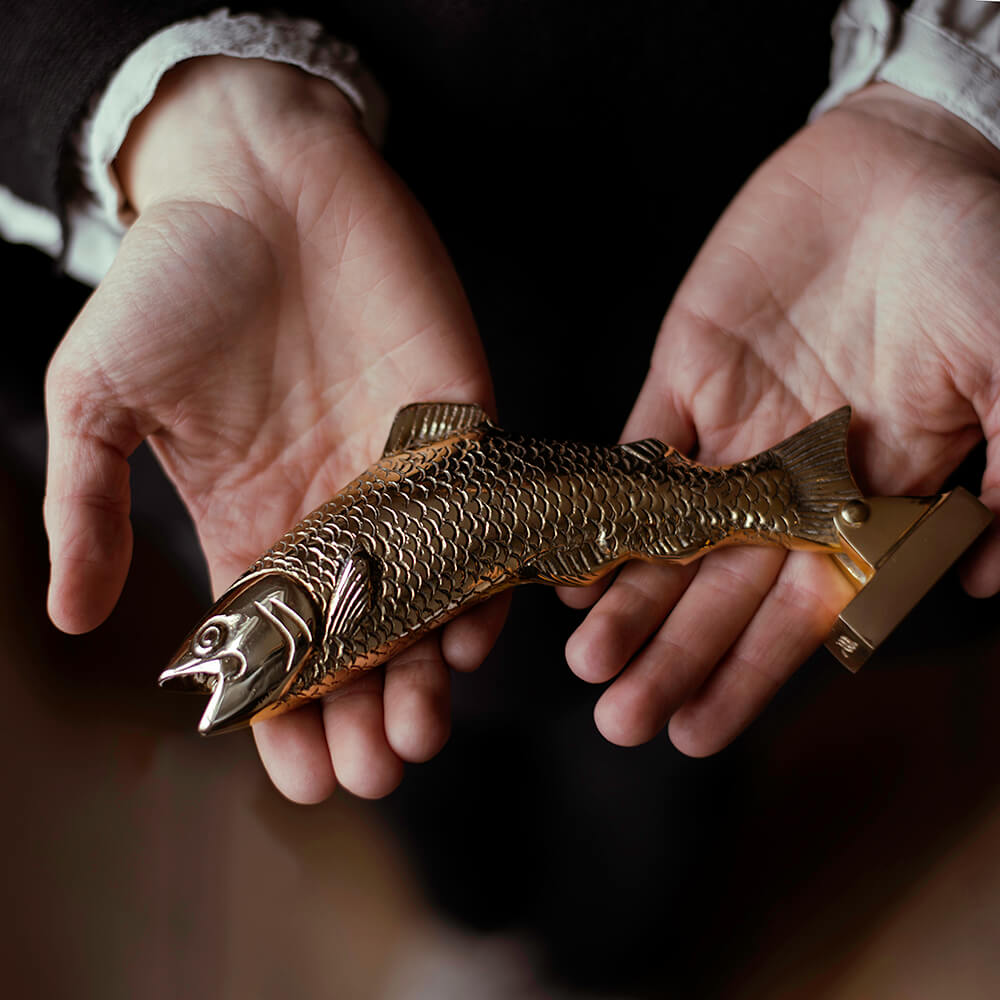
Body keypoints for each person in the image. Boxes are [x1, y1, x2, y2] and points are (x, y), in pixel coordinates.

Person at [3, 0, 999, 810]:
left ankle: (613, 952)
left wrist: (951, 101)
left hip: (794, 284)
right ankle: (486, 922)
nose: (210, 650)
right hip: (271, 410)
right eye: (220, 643)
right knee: (427, 785)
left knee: (674, 748)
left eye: (220, 637)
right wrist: (189, 122)